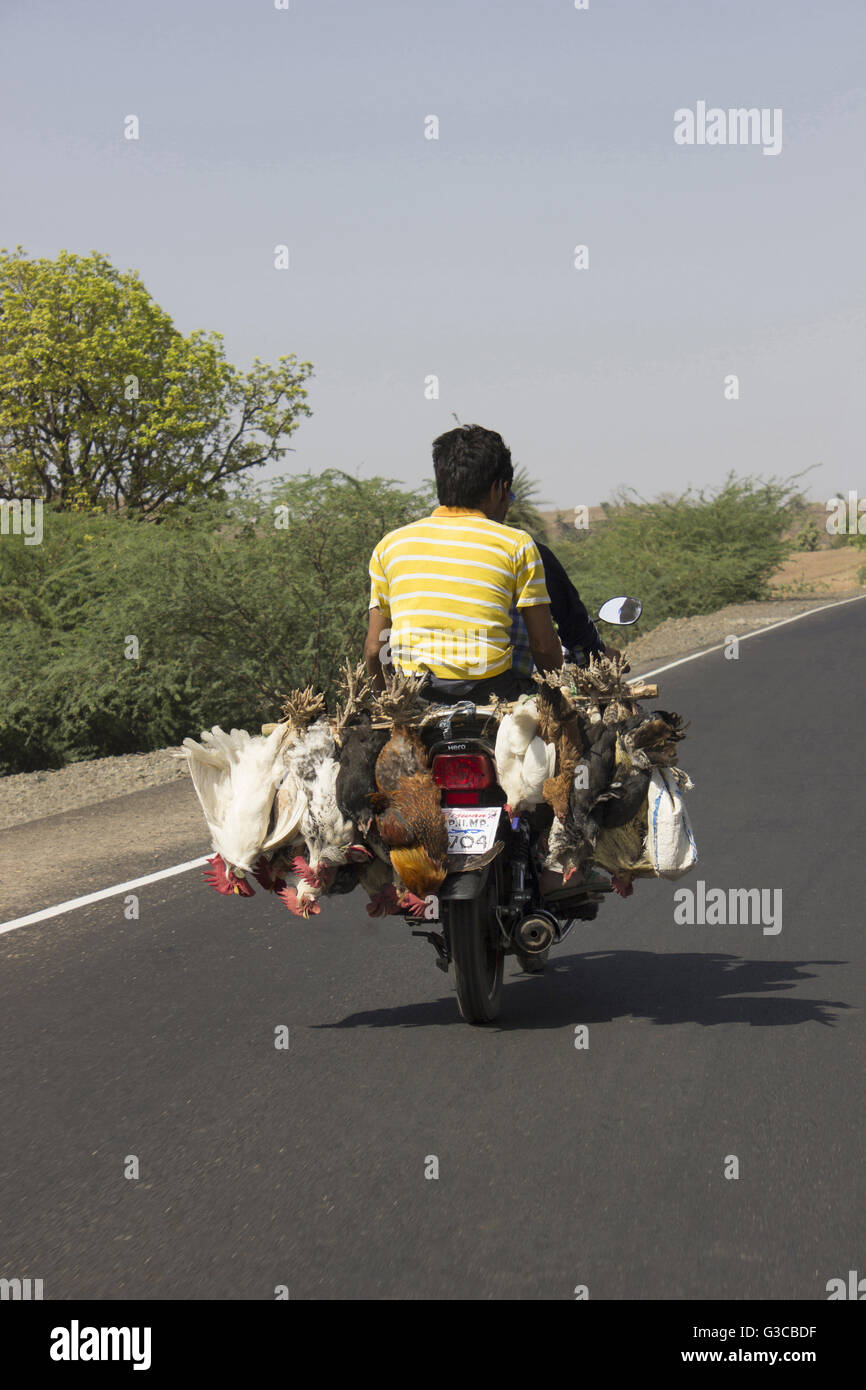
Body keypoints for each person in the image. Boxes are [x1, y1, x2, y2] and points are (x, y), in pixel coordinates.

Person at [364, 424, 563, 701]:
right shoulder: (517, 544)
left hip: (415, 695)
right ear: (499, 488)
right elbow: (542, 645)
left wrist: (388, 703)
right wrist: (559, 692)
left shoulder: (390, 545)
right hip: (491, 694)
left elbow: (375, 649)